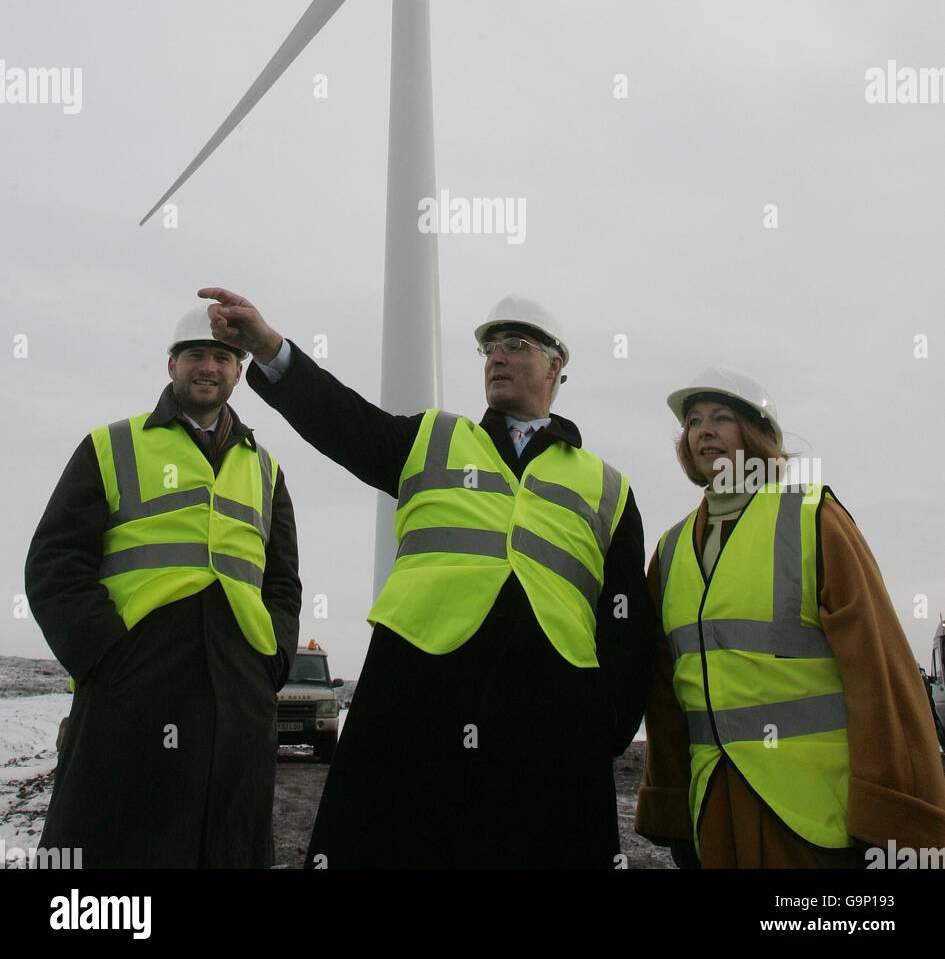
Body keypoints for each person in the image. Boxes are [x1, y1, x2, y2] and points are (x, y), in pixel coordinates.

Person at [198, 285, 656, 869]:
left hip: (548, 716)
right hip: (416, 695)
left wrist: (603, 731)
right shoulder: (433, 438)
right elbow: (341, 419)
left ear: (555, 365)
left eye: (516, 345)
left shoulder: (608, 487)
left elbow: (626, 624)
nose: (496, 357)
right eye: (489, 347)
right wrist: (269, 349)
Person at [635, 366, 945, 869]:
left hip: (812, 817)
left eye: (721, 418)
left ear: (757, 438)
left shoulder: (814, 518)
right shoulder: (669, 551)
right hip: (713, 811)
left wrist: (893, 817)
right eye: (693, 421)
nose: (703, 431)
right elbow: (664, 692)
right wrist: (671, 806)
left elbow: (880, 672)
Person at [25, 306, 302, 869]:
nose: (209, 367)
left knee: (226, 844)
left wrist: (271, 658)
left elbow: (283, 581)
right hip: (134, 673)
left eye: (222, 356)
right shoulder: (111, 446)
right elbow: (55, 563)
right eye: (196, 354)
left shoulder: (267, 471)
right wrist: (105, 655)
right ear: (172, 364)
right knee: (114, 847)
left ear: (238, 370)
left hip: (238, 681)